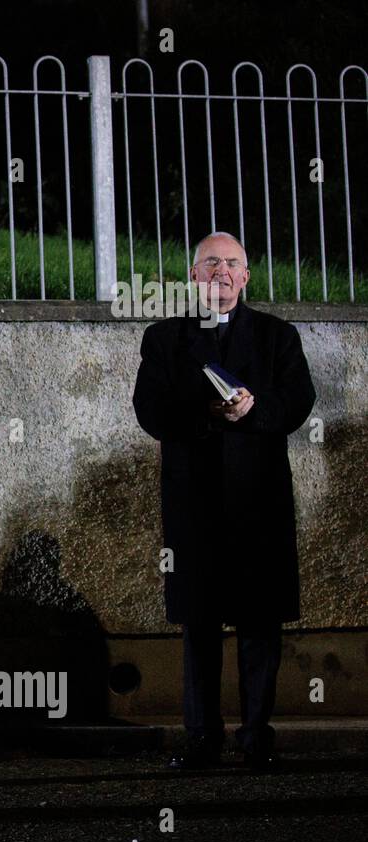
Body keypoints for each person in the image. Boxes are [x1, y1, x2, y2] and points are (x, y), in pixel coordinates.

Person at [132, 231, 315, 772]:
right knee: (201, 623)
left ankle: (256, 735)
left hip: (260, 502)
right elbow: (149, 410)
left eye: (231, 263)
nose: (221, 271)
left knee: (260, 623)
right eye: (210, 262)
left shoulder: (278, 337)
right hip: (195, 502)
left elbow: (297, 402)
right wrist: (209, 414)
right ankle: (201, 737)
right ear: (193, 275)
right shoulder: (165, 338)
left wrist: (252, 413)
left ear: (246, 277)